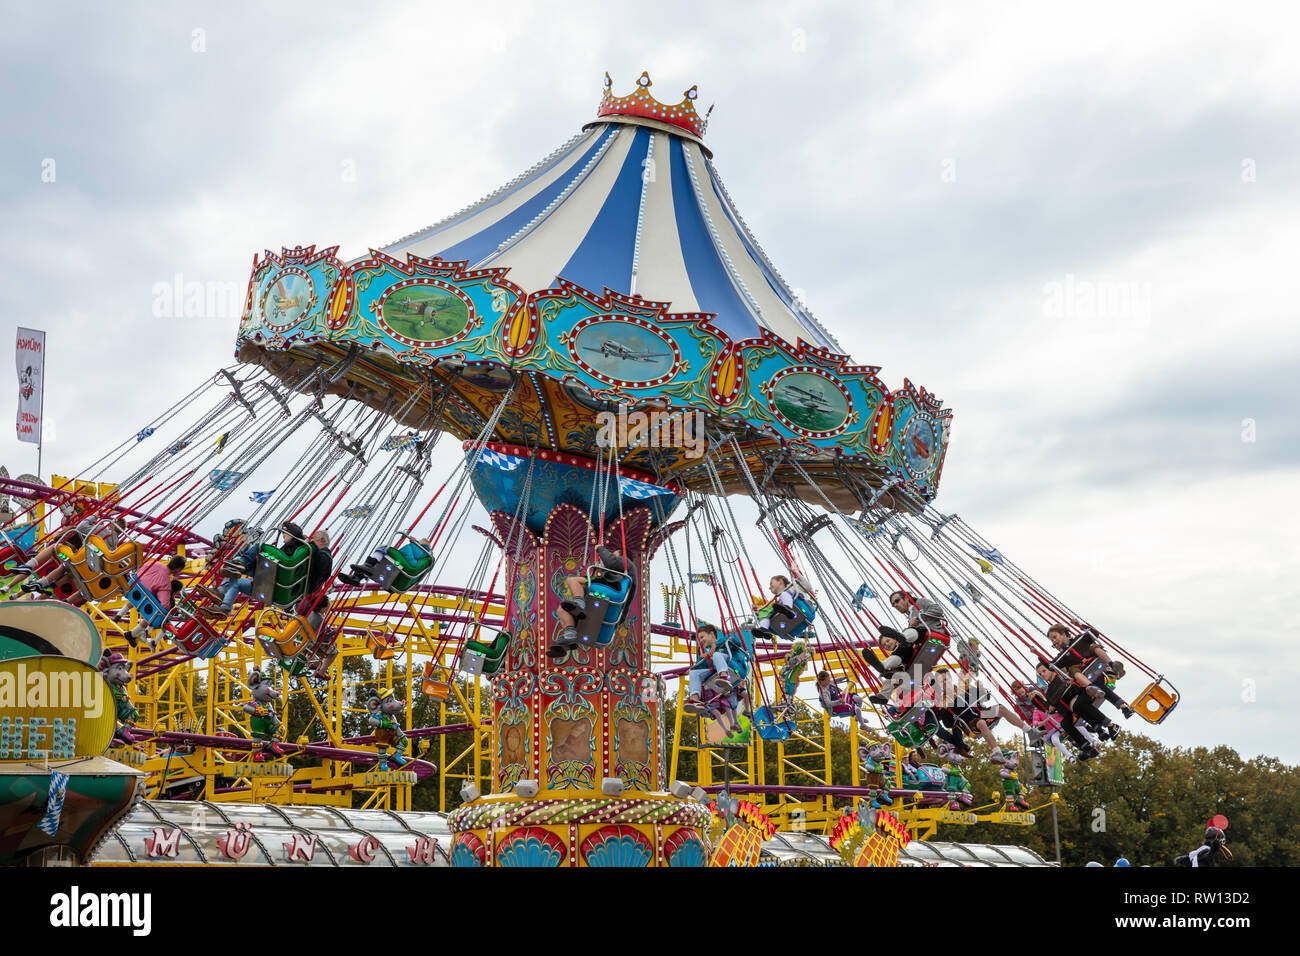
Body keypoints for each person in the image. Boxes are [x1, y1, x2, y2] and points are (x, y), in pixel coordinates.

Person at [1047, 623, 1134, 719]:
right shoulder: (1062, 656)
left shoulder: (1079, 640)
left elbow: (1094, 633)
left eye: (1055, 637)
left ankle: (1112, 665)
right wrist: (1038, 655)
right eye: (1052, 640)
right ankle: (1094, 688)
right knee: (1073, 671)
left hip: (1094, 662)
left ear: (1063, 633)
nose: (1054, 641)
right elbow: (1052, 666)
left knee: (1093, 647)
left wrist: (1079, 625)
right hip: (1086, 673)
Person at [556, 545, 636, 645]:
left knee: (573, 581)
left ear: (622, 555)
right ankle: (570, 634)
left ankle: (579, 605)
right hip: (609, 597)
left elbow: (612, 562)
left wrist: (600, 548)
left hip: (612, 588)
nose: (611, 555)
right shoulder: (618, 574)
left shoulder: (626, 562)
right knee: (561, 610)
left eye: (613, 554)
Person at [1035, 659, 1119, 746]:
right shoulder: (1049, 691)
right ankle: (1085, 745)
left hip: (1080, 694)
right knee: (1065, 723)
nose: (1042, 675)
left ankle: (1106, 725)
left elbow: (1065, 687)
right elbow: (1051, 703)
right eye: (1040, 674)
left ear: (1050, 669)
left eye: (1044, 671)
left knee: (1079, 704)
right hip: (1071, 706)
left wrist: (1058, 697)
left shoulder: (1061, 675)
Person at [126, 554, 187, 647]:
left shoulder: (155, 564)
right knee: (161, 620)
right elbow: (165, 606)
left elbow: (141, 570)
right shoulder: (166, 587)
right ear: (178, 569)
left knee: (156, 617)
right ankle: (149, 637)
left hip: (137, 591)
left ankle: (141, 634)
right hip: (151, 610)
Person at [338, 536, 432, 587]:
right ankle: (357, 577)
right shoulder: (429, 561)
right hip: (404, 580)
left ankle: (366, 567)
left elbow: (411, 553)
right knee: (384, 562)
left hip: (404, 567)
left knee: (384, 548)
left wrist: (414, 542)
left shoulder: (420, 550)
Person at [685, 624, 735, 708]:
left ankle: (724, 677)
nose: (700, 641)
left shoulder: (724, 642)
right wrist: (699, 661)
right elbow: (699, 667)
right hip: (714, 672)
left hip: (731, 664)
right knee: (693, 673)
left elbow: (735, 641)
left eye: (702, 637)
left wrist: (716, 645)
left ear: (711, 634)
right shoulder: (708, 655)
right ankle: (695, 699)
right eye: (699, 639)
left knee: (716, 655)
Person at [300, 529, 333, 632]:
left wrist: (311, 545)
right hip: (305, 597)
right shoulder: (319, 555)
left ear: (322, 540)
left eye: (313, 538)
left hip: (306, 598)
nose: (310, 540)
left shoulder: (325, 557)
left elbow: (321, 564)